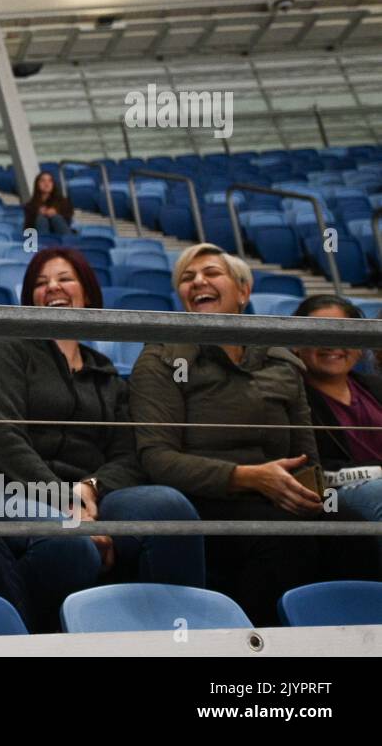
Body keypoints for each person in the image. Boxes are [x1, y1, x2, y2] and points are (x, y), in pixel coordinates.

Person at [129, 243, 375, 625]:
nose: (198, 282)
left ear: (243, 292)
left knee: (355, 533)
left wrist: (304, 490)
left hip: (280, 493)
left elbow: (307, 456)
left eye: (211, 273)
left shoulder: (281, 360)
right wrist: (248, 477)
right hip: (204, 497)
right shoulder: (162, 356)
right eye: (187, 278)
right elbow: (157, 457)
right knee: (283, 539)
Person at [0, 247, 204, 589]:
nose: (53, 288)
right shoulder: (7, 349)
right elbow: (3, 436)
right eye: (42, 283)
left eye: (65, 279)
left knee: (169, 508)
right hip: (4, 487)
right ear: (32, 299)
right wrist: (64, 500)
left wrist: (90, 490)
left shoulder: (105, 373)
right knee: (68, 540)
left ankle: (176, 635)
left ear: (87, 293)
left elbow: (127, 454)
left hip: (91, 495)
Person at [292, 294, 382, 565]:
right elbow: (311, 472)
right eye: (320, 333)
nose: (332, 343)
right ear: (295, 344)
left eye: (342, 332)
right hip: (337, 494)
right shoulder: (292, 395)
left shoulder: (375, 387)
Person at [22, 171, 74, 236]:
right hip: (38, 235)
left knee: (56, 217)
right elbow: (27, 228)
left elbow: (68, 219)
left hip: (61, 235)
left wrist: (57, 212)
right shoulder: (30, 205)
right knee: (41, 219)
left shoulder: (63, 201)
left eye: (50, 181)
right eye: (43, 181)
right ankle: (45, 242)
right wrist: (36, 213)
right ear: (37, 184)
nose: (46, 183)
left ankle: (69, 243)